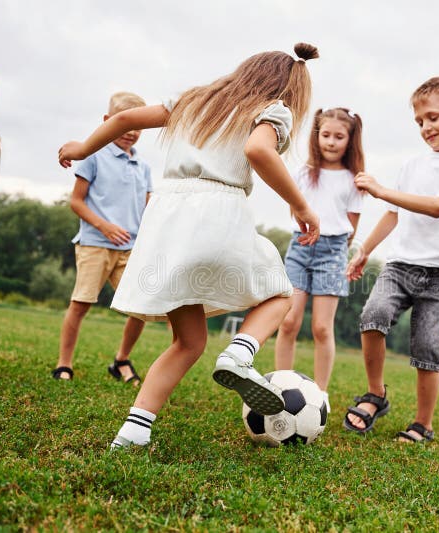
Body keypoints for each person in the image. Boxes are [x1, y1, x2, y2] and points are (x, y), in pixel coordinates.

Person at [58, 43, 321, 449]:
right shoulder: (273, 109)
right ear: (290, 91)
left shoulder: (194, 99)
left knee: (189, 342)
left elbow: (127, 118)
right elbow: (257, 150)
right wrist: (300, 204)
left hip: (165, 218)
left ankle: (132, 434)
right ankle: (239, 353)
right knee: (279, 294)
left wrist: (81, 148)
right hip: (217, 210)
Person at [342, 76, 439, 443]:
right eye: (420, 122)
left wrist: (380, 189)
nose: (426, 128)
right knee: (372, 316)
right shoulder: (411, 166)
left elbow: (438, 207)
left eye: (433, 118)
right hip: (400, 266)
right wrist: (364, 251)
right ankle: (376, 394)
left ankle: (423, 424)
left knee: (426, 347)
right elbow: (392, 214)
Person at [51, 92, 153, 385]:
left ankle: (121, 360)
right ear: (108, 122)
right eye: (125, 124)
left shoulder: (144, 168)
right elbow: (77, 202)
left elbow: (148, 209)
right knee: (81, 304)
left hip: (130, 249)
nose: (132, 132)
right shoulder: (93, 156)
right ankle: (64, 364)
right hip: (95, 243)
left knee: (142, 307)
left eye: (138, 126)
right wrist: (105, 226)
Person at [274, 107, 365, 406]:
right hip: (300, 247)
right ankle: (280, 387)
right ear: (317, 137)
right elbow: (295, 209)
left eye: (339, 137)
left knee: (321, 328)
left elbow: (352, 226)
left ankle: (320, 395)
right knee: (289, 322)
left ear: (349, 140)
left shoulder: (354, 179)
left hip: (333, 251)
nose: (331, 142)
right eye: (326, 135)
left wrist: (338, 251)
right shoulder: (302, 173)